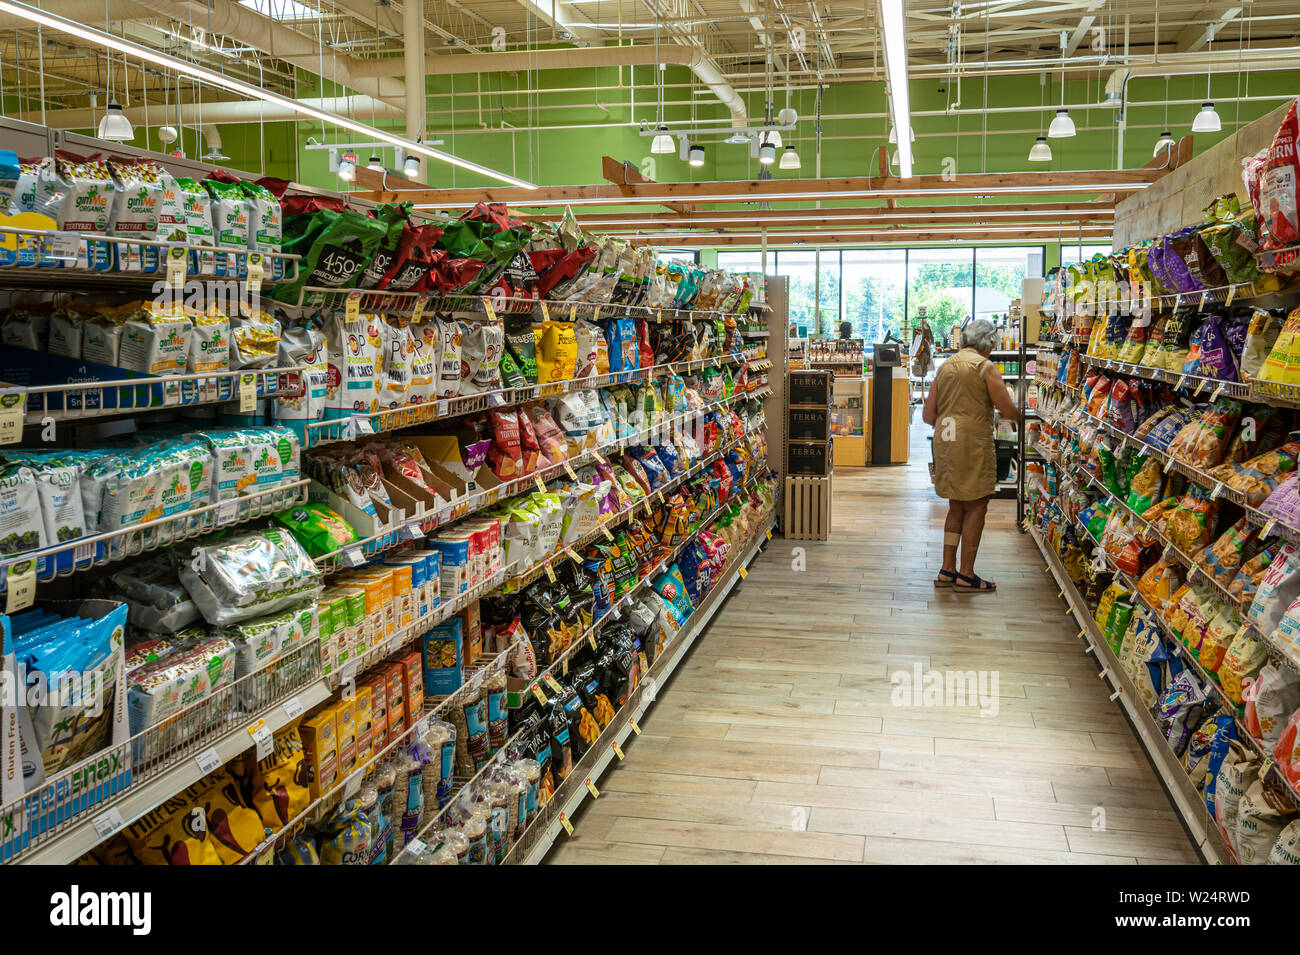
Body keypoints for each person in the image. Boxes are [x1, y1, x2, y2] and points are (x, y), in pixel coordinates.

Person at [921, 319, 1020, 593]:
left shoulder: (945, 366)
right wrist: (1026, 416)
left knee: (956, 505)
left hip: (946, 439)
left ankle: (947, 569)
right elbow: (1007, 409)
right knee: (977, 504)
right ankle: (966, 575)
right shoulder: (984, 367)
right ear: (988, 343)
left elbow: (928, 415)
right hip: (972, 441)